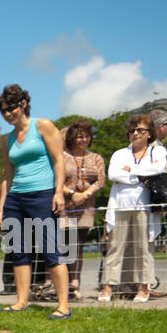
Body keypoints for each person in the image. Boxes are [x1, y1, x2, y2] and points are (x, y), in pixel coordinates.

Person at [0, 84, 70, 317]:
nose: (7, 114)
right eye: (3, 111)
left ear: (23, 104)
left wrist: (58, 193)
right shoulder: (7, 139)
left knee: (51, 250)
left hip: (43, 195)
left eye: (10, 109)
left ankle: (63, 306)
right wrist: (2, 207)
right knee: (18, 251)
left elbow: (59, 160)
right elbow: (7, 175)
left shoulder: (43, 126)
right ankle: (21, 301)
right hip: (16, 198)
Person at [100, 114, 167, 303]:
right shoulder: (119, 154)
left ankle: (144, 287)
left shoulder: (158, 152)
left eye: (140, 130)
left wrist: (131, 170)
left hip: (144, 206)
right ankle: (108, 286)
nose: (136, 133)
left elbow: (159, 169)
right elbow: (113, 174)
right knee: (115, 246)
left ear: (149, 134)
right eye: (132, 130)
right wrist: (141, 174)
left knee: (143, 247)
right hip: (120, 204)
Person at [59, 120, 105, 300]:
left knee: (78, 245)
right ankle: (60, 284)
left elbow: (101, 180)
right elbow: (56, 181)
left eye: (86, 136)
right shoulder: (62, 157)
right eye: (79, 136)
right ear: (72, 138)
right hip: (65, 206)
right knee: (63, 245)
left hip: (86, 207)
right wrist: (72, 193)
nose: (83, 139)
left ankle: (75, 284)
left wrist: (85, 194)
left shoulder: (96, 158)